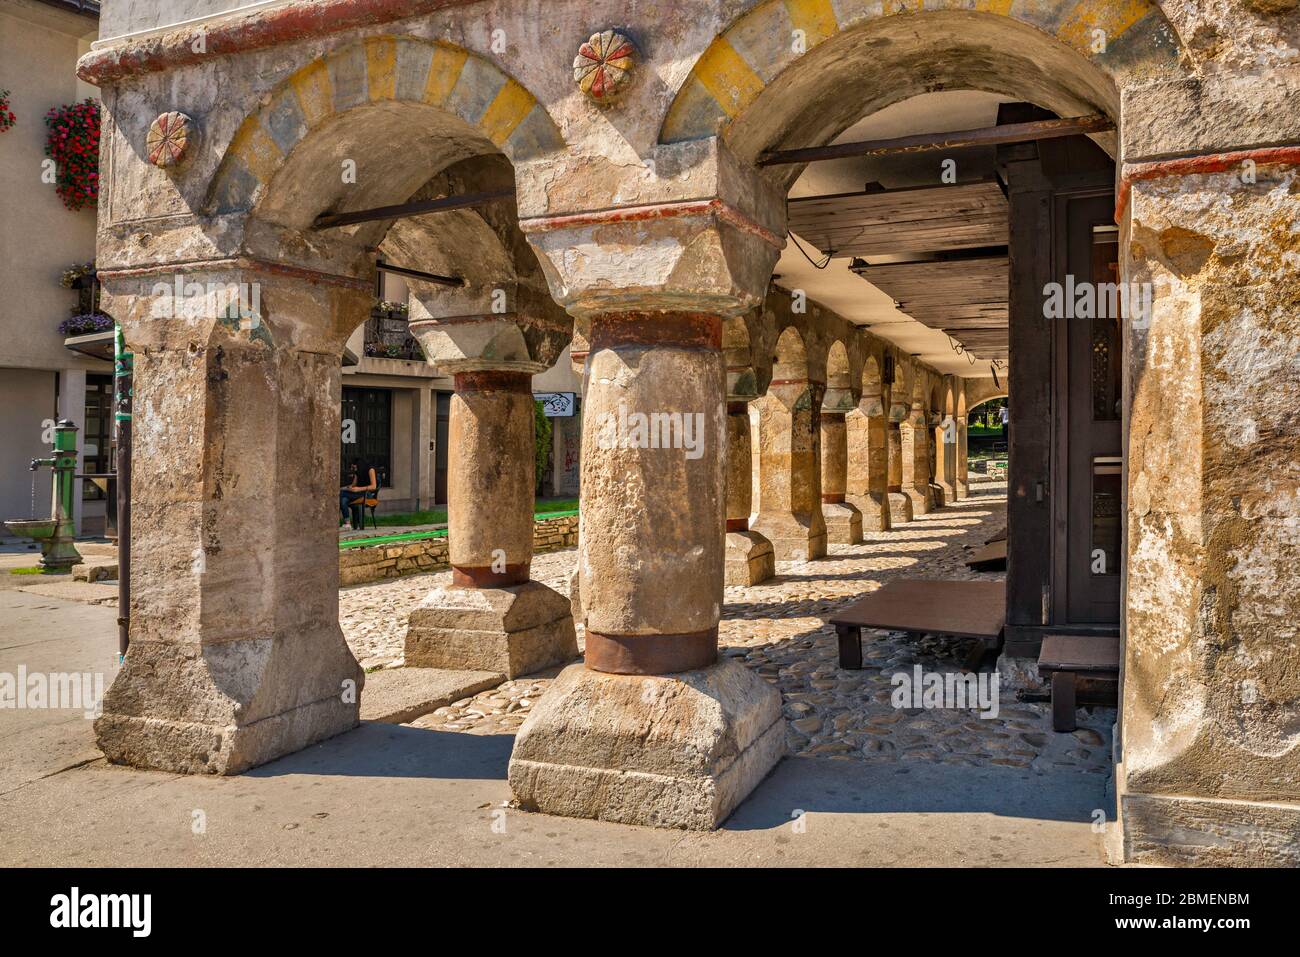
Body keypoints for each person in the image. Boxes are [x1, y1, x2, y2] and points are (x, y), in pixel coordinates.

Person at [340, 457, 378, 530]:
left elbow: (373, 486)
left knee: (341, 495)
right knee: (343, 499)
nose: (353, 469)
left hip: (367, 494)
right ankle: (347, 523)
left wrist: (358, 489)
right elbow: (353, 485)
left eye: (354, 467)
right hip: (357, 493)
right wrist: (347, 488)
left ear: (360, 465)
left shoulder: (370, 470)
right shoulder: (358, 472)